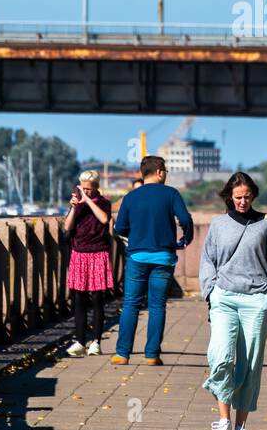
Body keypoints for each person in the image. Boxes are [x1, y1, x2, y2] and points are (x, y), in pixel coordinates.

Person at [201, 172, 267, 430]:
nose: (243, 202)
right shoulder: (218, 225)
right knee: (221, 357)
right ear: (229, 197)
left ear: (254, 196)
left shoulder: (266, 223)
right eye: (238, 197)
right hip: (224, 298)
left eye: (247, 197)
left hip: (256, 300)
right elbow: (208, 260)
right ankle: (223, 421)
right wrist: (210, 292)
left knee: (250, 365)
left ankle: (240, 427)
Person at [110, 155, 194, 365]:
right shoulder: (171, 194)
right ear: (159, 172)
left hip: (137, 256)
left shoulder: (130, 197)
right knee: (157, 306)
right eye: (165, 170)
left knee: (131, 303)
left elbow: (119, 228)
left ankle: (122, 353)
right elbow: (185, 219)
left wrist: (136, 235)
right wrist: (185, 239)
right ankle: (152, 354)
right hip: (164, 257)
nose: (165, 174)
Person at [64, 170, 114, 357]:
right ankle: (79, 340)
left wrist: (88, 200)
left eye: (89, 189)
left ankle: (96, 341)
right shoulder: (78, 204)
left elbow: (103, 219)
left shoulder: (103, 203)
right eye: (82, 188)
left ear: (96, 188)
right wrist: (74, 208)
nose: (85, 191)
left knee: (97, 299)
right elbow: (67, 227)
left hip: (98, 253)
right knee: (79, 299)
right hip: (79, 253)